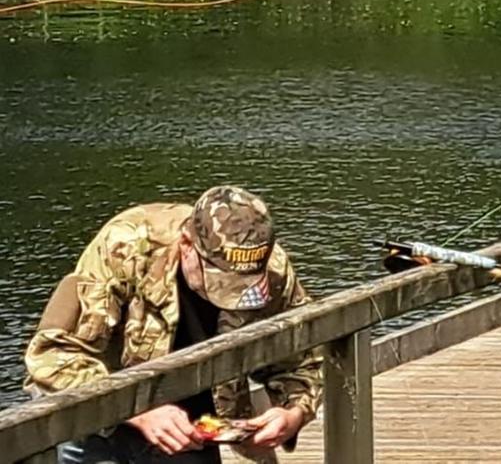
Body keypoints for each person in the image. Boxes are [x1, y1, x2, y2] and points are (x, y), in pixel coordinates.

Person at [24, 186, 324, 464]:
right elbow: (52, 355)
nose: (229, 295)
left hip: (190, 429)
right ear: (186, 245)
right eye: (218, 281)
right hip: (95, 418)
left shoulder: (271, 269)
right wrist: (135, 409)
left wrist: (292, 413)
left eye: (244, 285)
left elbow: (303, 359)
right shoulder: (126, 244)